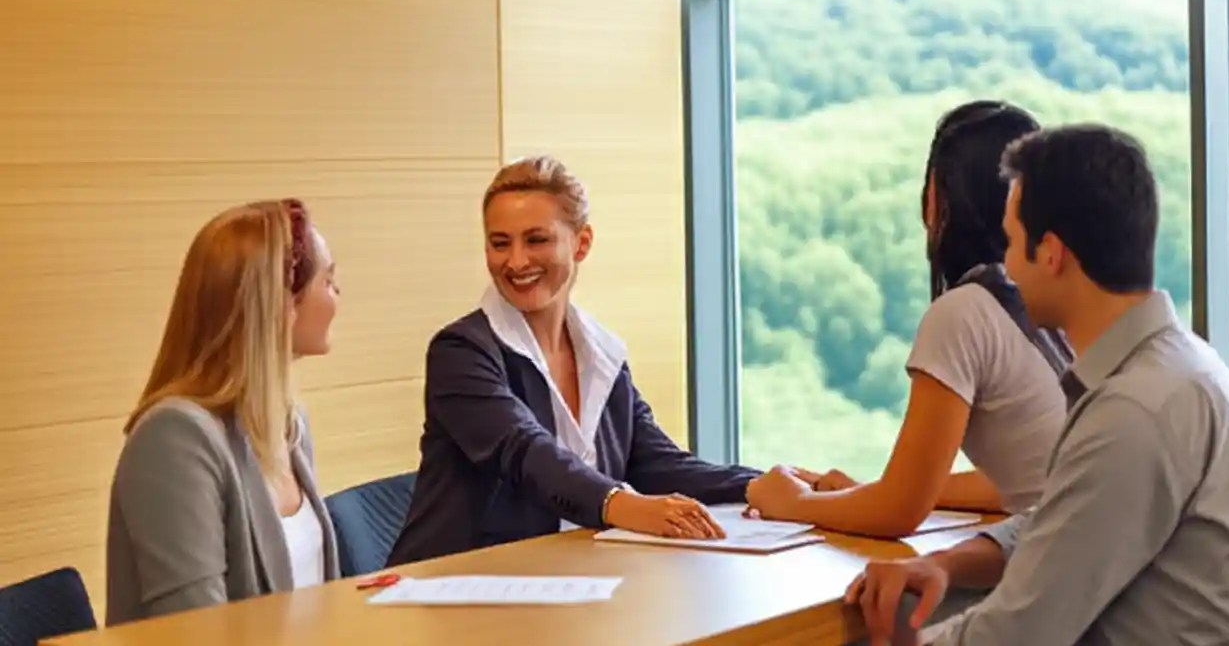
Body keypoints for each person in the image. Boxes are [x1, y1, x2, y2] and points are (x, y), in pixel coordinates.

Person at [848, 125, 1229, 645]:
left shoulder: (1134, 412)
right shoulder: (1178, 366)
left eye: (1011, 243)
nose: (1005, 266)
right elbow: (1070, 522)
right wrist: (951, 562)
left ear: (1050, 253)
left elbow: (1018, 635)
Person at [387, 156, 765, 564]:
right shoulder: (461, 352)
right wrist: (625, 506)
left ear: (581, 243)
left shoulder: (602, 355)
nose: (515, 261)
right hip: (451, 594)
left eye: (536, 240)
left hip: (564, 582)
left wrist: (759, 488)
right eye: (500, 243)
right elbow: (528, 454)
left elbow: (657, 464)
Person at [745, 101, 1070, 538]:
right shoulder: (1057, 295)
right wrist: (875, 491)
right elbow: (1032, 474)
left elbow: (898, 512)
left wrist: (792, 502)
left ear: (938, 200)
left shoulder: (962, 314)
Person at [106, 198, 342, 625]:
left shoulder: (289, 425)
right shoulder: (173, 439)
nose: (337, 295)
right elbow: (193, 630)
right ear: (282, 304)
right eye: (328, 281)